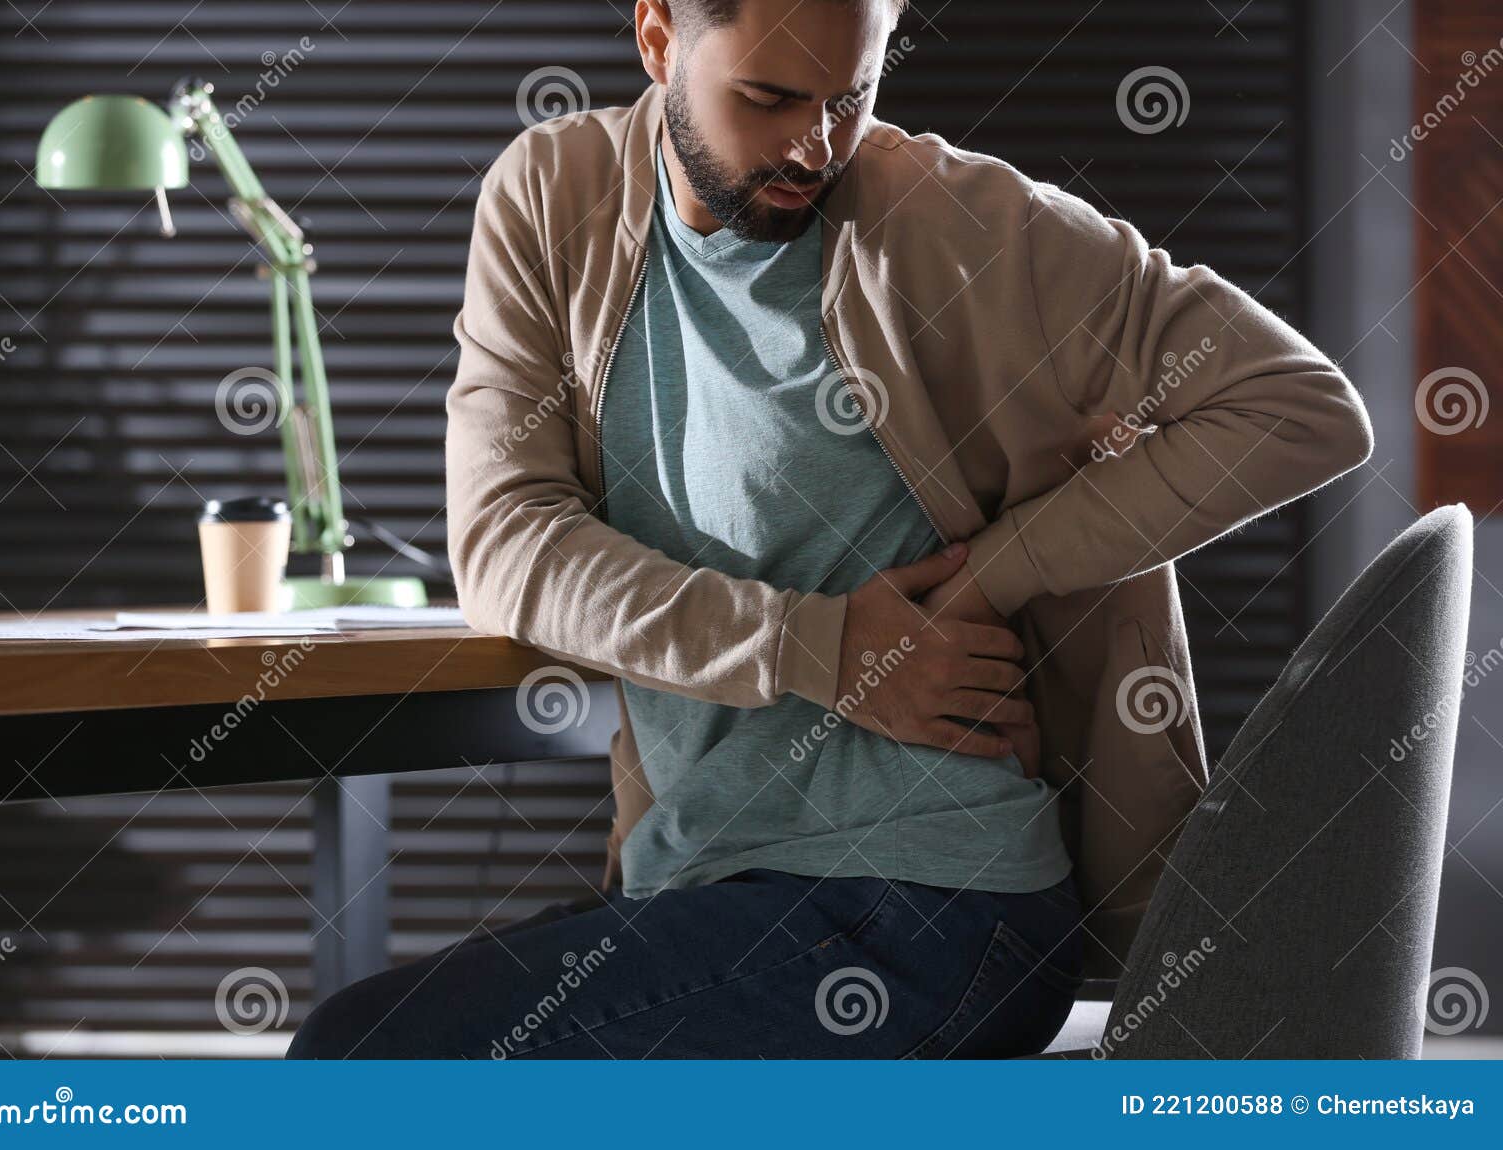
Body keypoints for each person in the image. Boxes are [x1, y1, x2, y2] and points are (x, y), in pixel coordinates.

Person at [288, 0, 1373, 1059]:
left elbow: (1300, 407)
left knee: (358, 1061)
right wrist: (824, 649)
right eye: (768, 97)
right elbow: (505, 542)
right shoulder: (551, 197)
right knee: (373, 1045)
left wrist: (988, 578)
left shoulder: (957, 222)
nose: (813, 146)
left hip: (935, 907)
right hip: (704, 880)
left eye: (848, 97)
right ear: (658, 35)